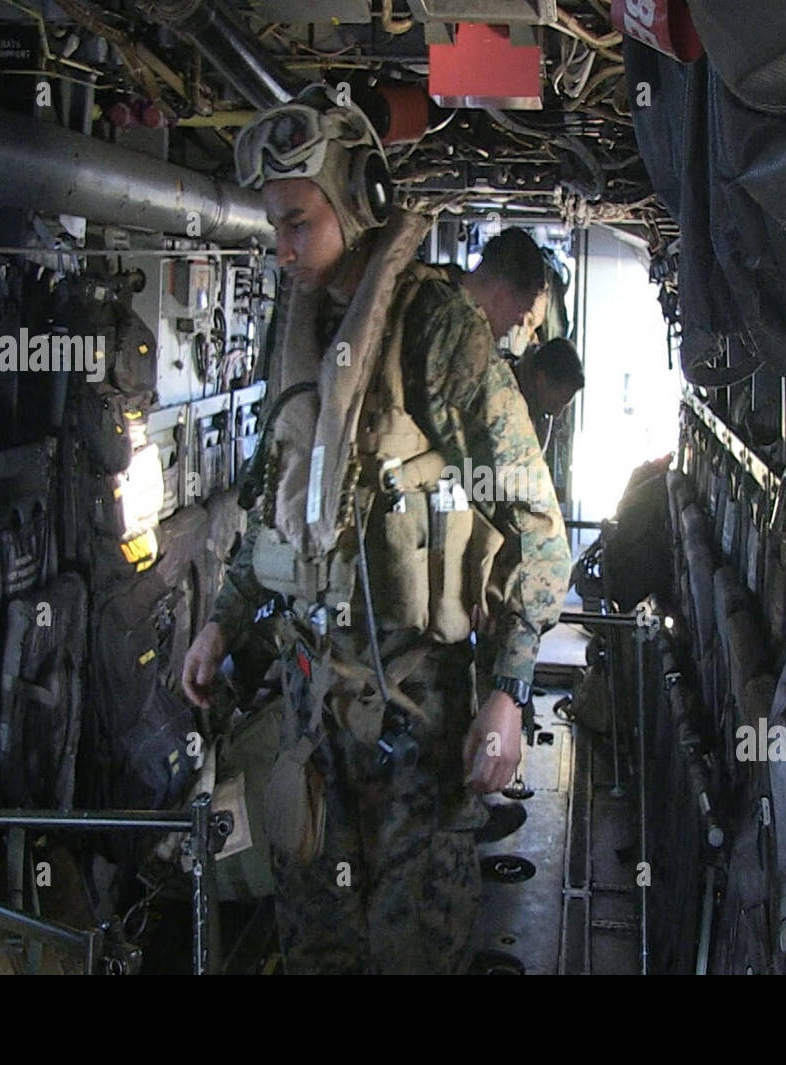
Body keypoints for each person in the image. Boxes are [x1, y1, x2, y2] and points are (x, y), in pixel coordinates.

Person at [180, 86, 570, 974]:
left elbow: (541, 531)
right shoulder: (301, 324)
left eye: (297, 225)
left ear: (360, 205)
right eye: (272, 226)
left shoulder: (441, 335)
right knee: (315, 944)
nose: (280, 251)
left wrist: (508, 693)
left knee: (412, 949)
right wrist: (223, 619)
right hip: (312, 709)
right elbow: (269, 500)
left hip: (415, 716)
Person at [514, 337, 585, 452]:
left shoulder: (539, 412)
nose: (557, 414)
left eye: (563, 406)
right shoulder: (503, 398)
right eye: (556, 403)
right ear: (541, 379)